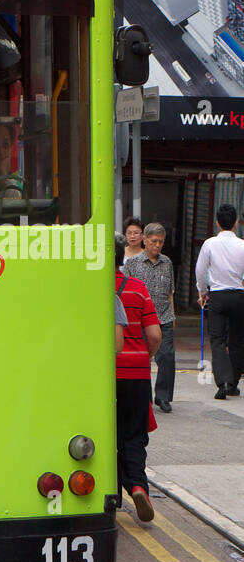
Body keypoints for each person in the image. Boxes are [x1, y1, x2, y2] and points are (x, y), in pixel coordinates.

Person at [116, 236, 161, 522]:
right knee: (134, 435)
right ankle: (138, 485)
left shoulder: (87, 289)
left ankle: (121, 488)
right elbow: (155, 334)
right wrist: (145, 355)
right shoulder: (137, 288)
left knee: (110, 437)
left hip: (105, 374)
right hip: (138, 373)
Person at [124, 222, 176, 413]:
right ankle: (143, 397)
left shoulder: (167, 262)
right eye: (154, 241)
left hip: (163, 316)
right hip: (141, 319)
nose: (157, 245)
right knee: (142, 359)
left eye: (161, 242)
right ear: (144, 240)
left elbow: (170, 291)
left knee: (167, 358)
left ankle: (163, 397)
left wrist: (173, 313)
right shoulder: (132, 263)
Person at [195, 203, 244, 400]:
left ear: (217, 223)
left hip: (217, 295)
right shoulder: (242, 244)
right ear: (236, 223)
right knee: (238, 341)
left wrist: (202, 291)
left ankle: (222, 381)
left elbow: (201, 270)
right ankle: (233, 383)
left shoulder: (210, 244)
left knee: (217, 339)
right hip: (239, 295)